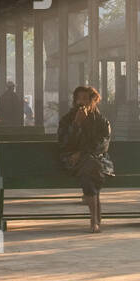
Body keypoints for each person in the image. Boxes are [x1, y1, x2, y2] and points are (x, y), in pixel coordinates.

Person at [57, 85, 113, 233]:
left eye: (86, 99)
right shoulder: (67, 120)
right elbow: (64, 144)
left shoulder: (102, 121)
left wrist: (82, 153)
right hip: (72, 161)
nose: (81, 102)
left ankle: (94, 220)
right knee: (90, 168)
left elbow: (102, 145)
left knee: (89, 167)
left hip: (96, 160)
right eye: (78, 99)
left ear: (93, 101)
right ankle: (95, 220)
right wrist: (76, 124)